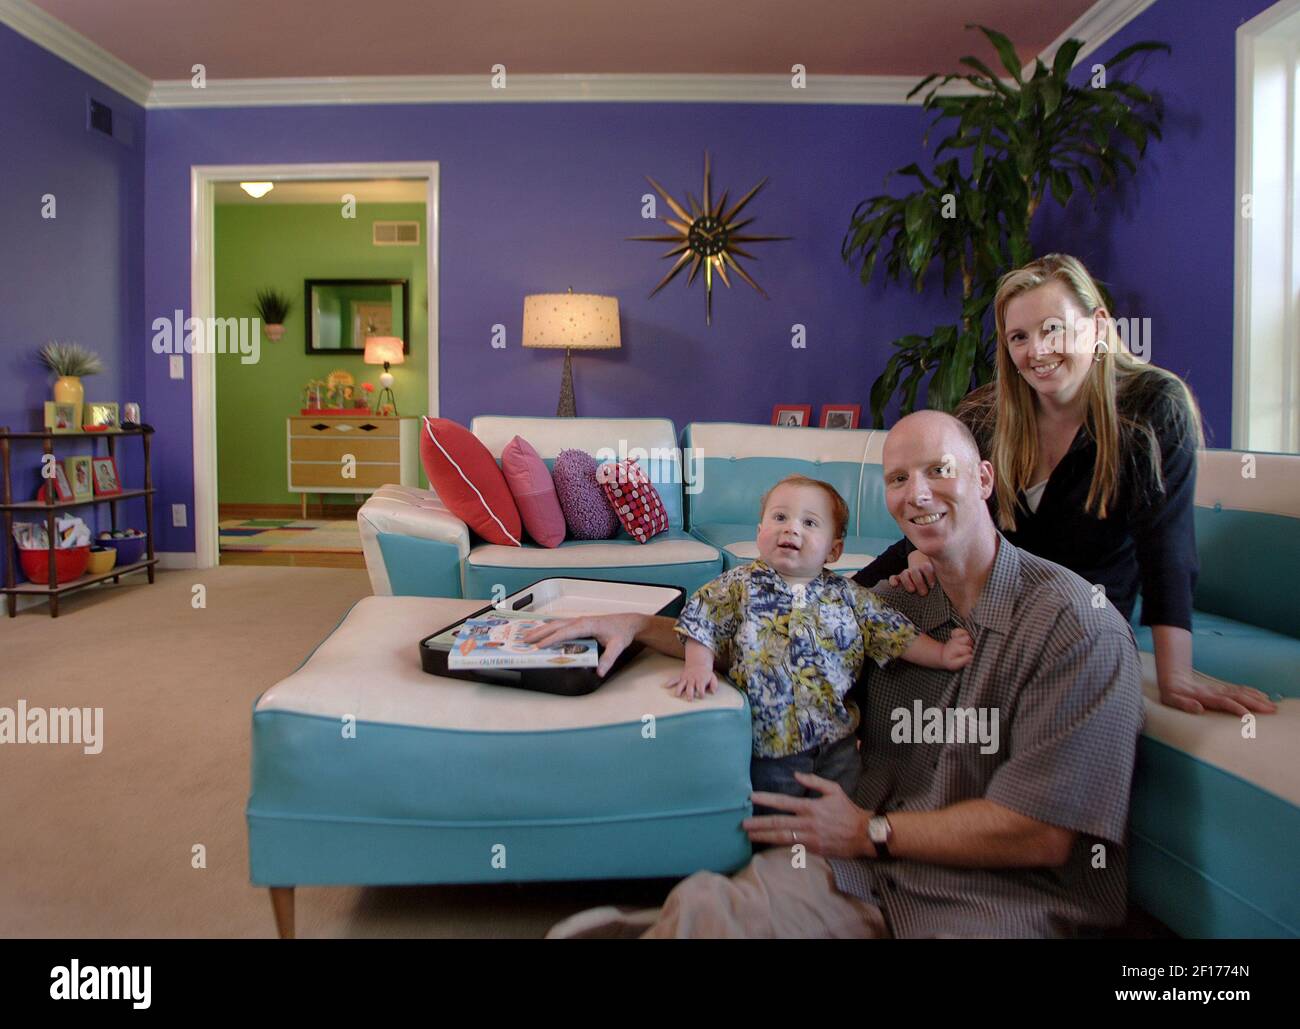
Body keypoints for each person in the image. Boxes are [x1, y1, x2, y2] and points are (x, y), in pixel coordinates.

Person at [536, 411, 1145, 938]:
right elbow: (775, 651)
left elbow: (1041, 835)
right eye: (899, 478)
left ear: (984, 478)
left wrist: (872, 831)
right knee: (708, 909)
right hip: (859, 867)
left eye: (940, 470)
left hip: (993, 901)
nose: (918, 493)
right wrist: (637, 625)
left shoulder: (1076, 627)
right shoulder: (895, 606)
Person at [864, 254, 1275, 719]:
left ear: (1097, 325)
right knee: (833, 614)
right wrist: (921, 556)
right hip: (981, 592)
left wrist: (1174, 675)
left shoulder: (1152, 407)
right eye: (1019, 337)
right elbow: (944, 509)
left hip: (1079, 613)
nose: (1037, 351)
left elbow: (1168, 549)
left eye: (1053, 329)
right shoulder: (986, 412)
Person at [667, 474, 972, 806]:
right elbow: (702, 618)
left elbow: (894, 632)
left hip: (836, 743)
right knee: (775, 815)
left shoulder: (848, 596)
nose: (791, 529)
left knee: (840, 809)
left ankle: (833, 854)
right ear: (759, 533)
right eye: (779, 517)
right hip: (768, 746)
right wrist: (698, 666)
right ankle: (782, 853)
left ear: (833, 550)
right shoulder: (739, 585)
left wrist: (942, 654)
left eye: (809, 522)